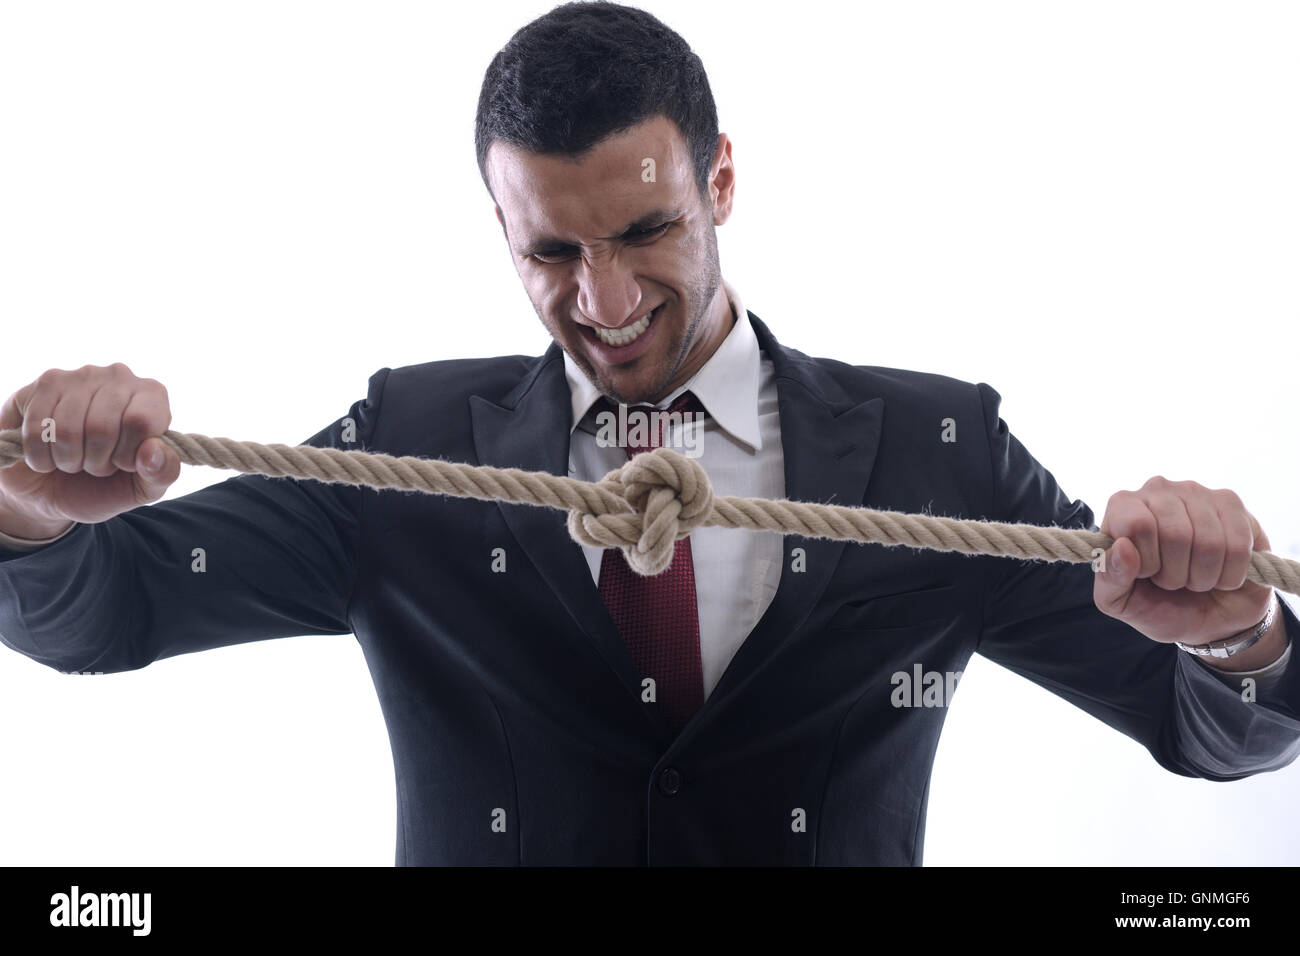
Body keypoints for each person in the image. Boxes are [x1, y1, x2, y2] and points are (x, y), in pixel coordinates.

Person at [0, 0, 1296, 866]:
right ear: (498, 228)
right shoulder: (408, 439)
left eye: (645, 233)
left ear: (719, 181)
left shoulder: (930, 451)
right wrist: (33, 505)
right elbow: (105, 614)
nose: (604, 304)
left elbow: (1210, 730)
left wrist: (1236, 631)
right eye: (552, 252)